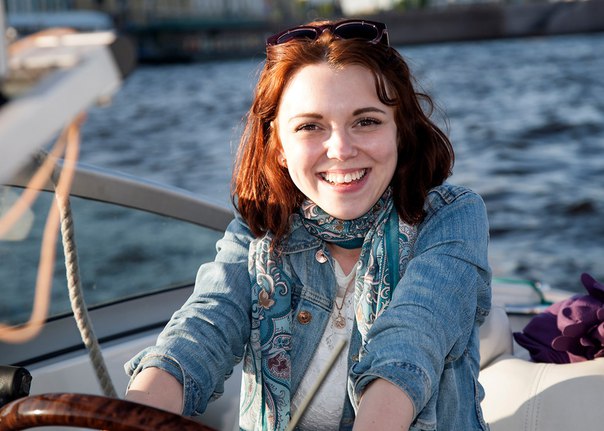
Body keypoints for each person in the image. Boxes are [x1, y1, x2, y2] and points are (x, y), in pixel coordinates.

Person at [124, 18, 492, 431]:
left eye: (366, 121)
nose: (341, 149)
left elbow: (413, 340)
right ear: (279, 145)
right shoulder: (259, 230)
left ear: (400, 131)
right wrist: (135, 414)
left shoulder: (451, 217)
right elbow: (206, 326)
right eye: (310, 127)